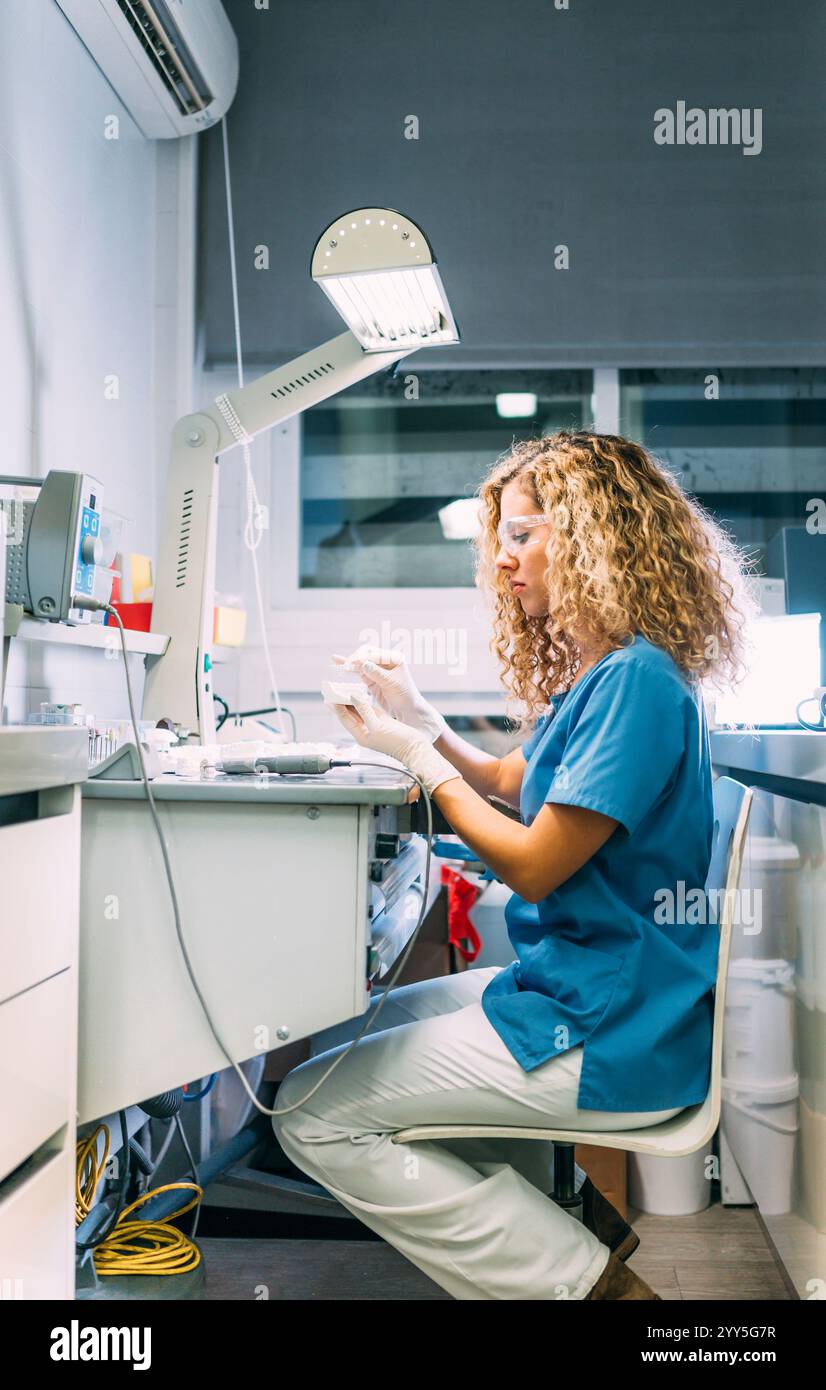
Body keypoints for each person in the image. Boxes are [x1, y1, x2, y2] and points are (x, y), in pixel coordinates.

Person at [272, 430, 754, 1301]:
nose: (504, 561)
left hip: (612, 1029)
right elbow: (508, 782)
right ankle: (565, 1228)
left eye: (523, 535)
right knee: (352, 1035)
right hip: (590, 990)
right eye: (501, 541)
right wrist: (423, 720)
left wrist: (418, 759)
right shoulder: (609, 674)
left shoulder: (638, 682)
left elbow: (533, 866)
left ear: (595, 536)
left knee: (310, 1112)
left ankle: (583, 1285)